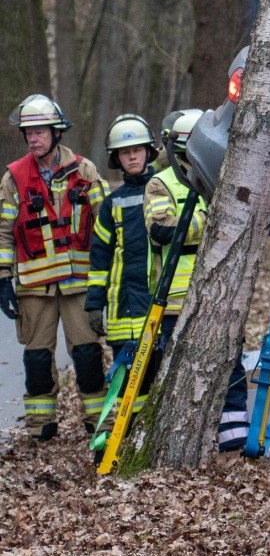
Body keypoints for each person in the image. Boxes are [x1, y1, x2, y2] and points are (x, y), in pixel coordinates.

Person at [0, 94, 108, 440]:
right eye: (28, 132)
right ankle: (40, 429)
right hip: (35, 288)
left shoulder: (84, 170)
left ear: (56, 132)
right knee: (36, 362)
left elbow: (108, 225)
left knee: (89, 357)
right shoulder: (13, 179)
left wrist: (108, 279)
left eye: (40, 131)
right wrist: (3, 279)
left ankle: (99, 425)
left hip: (79, 285)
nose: (33, 138)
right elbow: (3, 232)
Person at [145, 107, 249, 450]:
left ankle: (233, 437)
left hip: (220, 294)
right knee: (175, 369)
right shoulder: (161, 183)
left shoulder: (221, 178)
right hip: (175, 299)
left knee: (229, 363)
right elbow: (160, 229)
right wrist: (212, 224)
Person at [86, 115, 160, 416]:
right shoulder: (111, 204)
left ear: (148, 152)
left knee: (154, 376)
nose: (132, 155)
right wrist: (94, 303)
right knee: (126, 381)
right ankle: (125, 437)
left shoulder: (163, 190)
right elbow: (100, 256)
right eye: (125, 152)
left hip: (155, 305)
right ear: (116, 158)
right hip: (120, 310)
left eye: (137, 150)